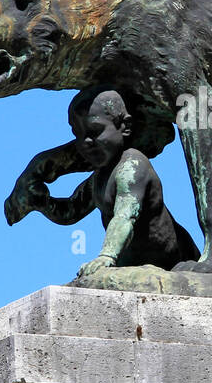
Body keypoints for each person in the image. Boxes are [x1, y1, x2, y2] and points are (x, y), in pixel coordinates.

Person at [21, 86, 199, 275]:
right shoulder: (100, 176)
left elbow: (125, 216)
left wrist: (107, 256)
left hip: (176, 260)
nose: (85, 142)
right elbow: (71, 210)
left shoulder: (133, 165)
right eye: (78, 135)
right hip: (133, 264)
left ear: (125, 127)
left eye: (95, 131)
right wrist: (40, 203)